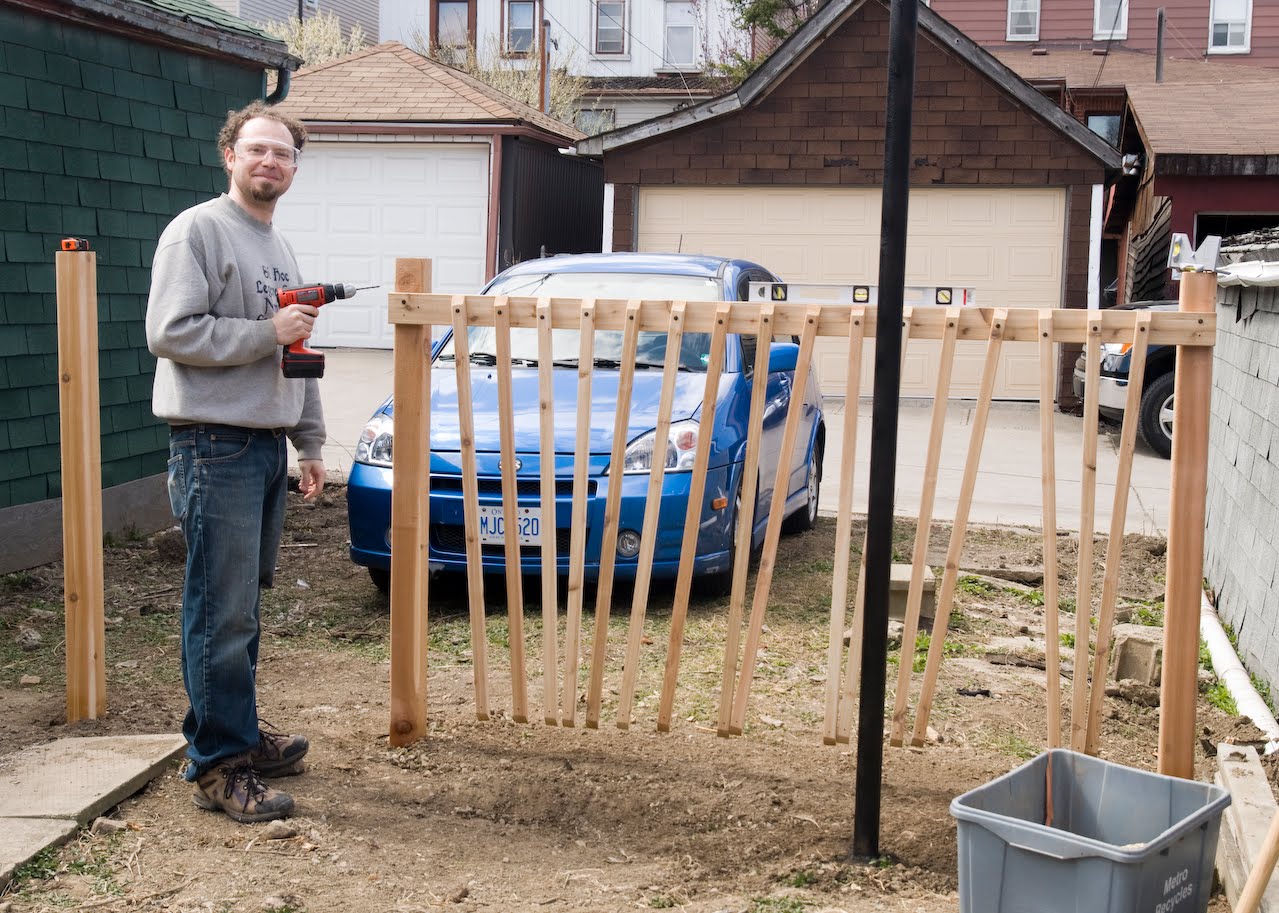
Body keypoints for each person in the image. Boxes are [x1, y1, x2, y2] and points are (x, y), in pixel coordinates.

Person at [145, 101, 325, 823]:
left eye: (282, 154)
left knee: (242, 608)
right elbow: (169, 330)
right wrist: (264, 331)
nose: (269, 163)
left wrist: (310, 442)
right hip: (212, 443)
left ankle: (240, 732)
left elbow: (296, 350)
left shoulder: (280, 248)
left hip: (264, 444)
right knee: (220, 611)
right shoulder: (197, 230)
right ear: (230, 155)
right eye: (256, 150)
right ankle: (220, 762)